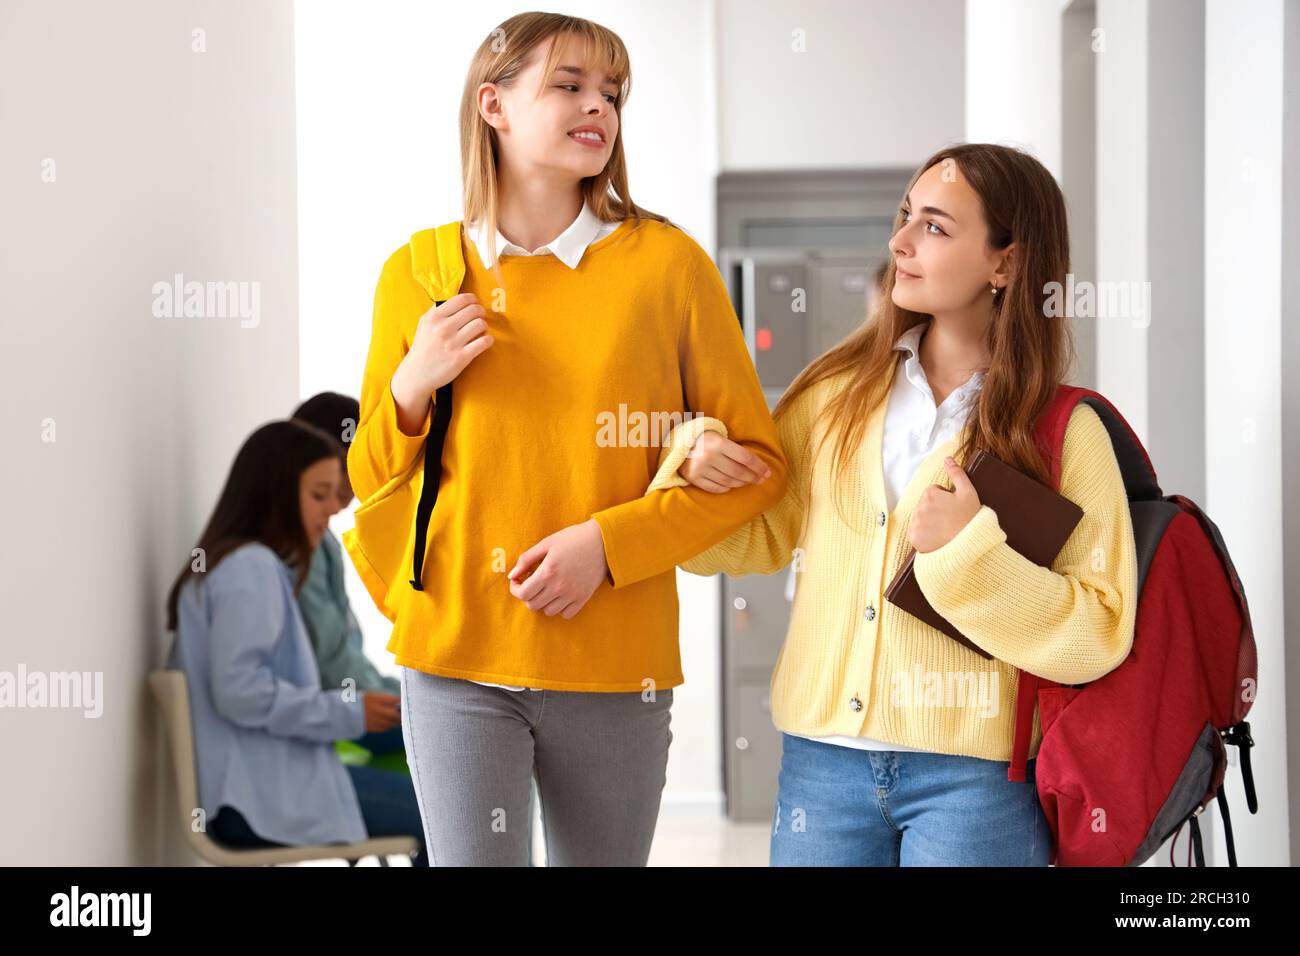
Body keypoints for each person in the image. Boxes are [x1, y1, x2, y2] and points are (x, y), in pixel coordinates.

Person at [347, 11, 786, 865]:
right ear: (494, 105)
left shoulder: (669, 267)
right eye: (570, 85)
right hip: (455, 656)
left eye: (612, 93)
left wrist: (608, 545)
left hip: (616, 664)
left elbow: (761, 468)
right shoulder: (418, 273)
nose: (600, 108)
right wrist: (412, 383)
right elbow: (369, 474)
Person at [648, 143, 1138, 866]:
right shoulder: (831, 397)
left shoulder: (1067, 431)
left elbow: (1099, 631)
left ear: (1005, 262)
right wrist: (693, 466)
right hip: (823, 766)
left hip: (976, 782)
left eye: (935, 227)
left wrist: (969, 555)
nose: (899, 242)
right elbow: (746, 541)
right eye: (904, 217)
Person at [164, 419, 429, 865]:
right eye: (319, 495)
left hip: (255, 791)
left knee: (440, 799)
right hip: (253, 803)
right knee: (441, 814)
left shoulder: (242, 565)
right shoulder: (250, 570)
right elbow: (240, 694)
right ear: (276, 495)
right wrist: (350, 711)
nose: (331, 512)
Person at [290, 392, 403, 759]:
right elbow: (333, 667)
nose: (355, 488)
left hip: (343, 705)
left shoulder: (322, 544)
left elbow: (343, 655)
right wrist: (402, 703)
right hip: (333, 714)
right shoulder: (296, 550)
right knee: (469, 739)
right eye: (352, 467)